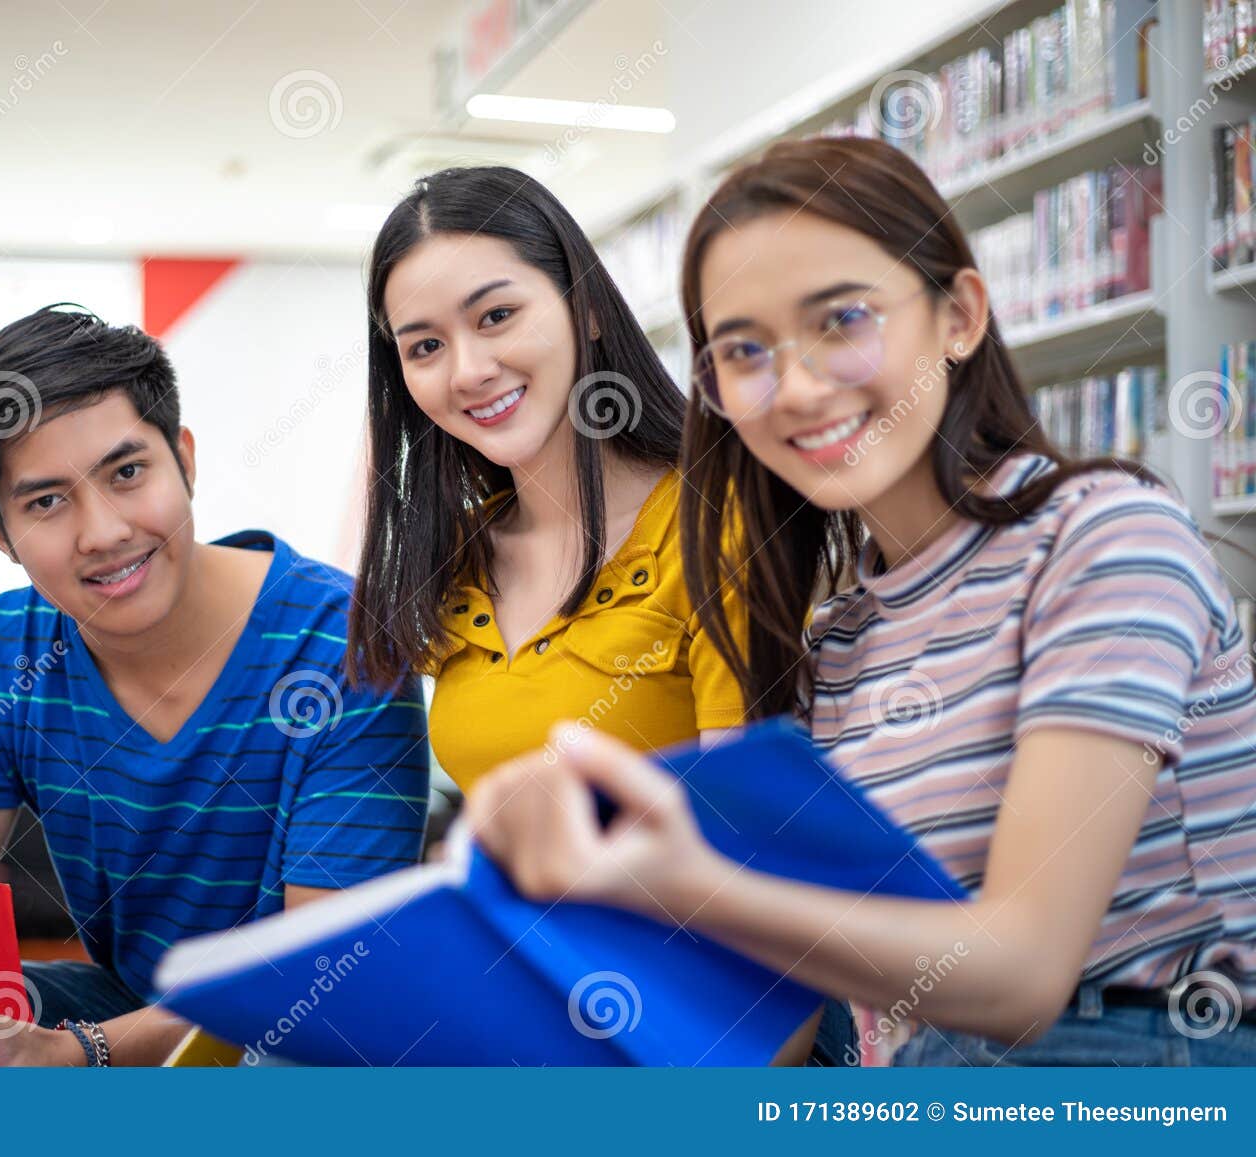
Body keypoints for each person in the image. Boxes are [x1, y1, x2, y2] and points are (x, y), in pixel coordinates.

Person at [468, 136, 1256, 1066]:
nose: (796, 387)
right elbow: (836, 989)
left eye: (842, 319)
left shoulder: (1105, 537)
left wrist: (683, 885)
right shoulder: (840, 639)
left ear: (959, 315)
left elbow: (1025, 973)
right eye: (744, 351)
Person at [346, 165, 846, 1065]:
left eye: (496, 316)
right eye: (422, 346)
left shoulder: (715, 525)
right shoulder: (452, 562)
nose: (467, 370)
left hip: (705, 1025)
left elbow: (772, 862)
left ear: (583, 309)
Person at [0, 304, 430, 1065]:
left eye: (127, 472)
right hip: (135, 1010)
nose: (104, 531)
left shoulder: (343, 643)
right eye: (46, 501)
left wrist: (86, 1053)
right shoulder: (1, 658)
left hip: (317, 1034)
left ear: (185, 458)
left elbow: (323, 979)